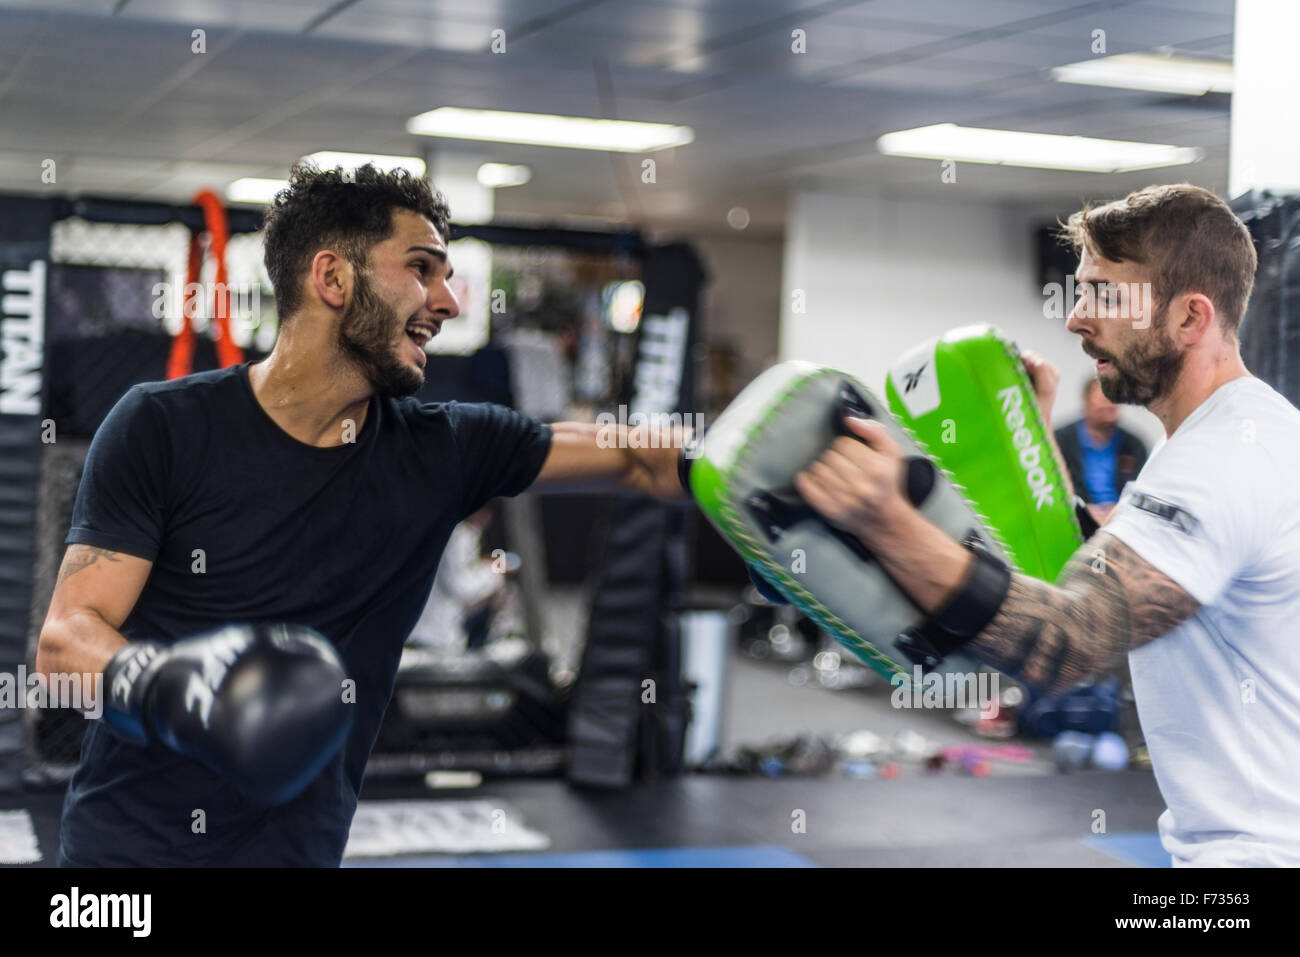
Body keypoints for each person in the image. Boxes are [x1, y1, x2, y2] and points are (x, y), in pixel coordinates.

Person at [35, 163, 687, 866]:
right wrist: (177, 691)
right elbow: (64, 642)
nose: (448, 302)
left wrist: (743, 474)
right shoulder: (161, 427)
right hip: (124, 861)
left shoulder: (447, 448)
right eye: (422, 269)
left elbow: (638, 459)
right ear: (333, 278)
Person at [795, 183, 1300, 866]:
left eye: (1105, 296)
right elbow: (1092, 563)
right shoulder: (1225, 436)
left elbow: (1067, 642)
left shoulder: (1221, 460)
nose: (1077, 319)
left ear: (1190, 317)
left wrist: (885, 520)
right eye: (1081, 292)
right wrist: (1026, 444)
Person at [1054, 377, 1148, 525]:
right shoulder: (1061, 440)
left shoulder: (1134, 445)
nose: (1109, 404)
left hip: (1122, 519)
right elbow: (1054, 487)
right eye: (1103, 399)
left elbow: (1142, 490)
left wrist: (1117, 510)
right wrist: (1084, 509)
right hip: (1074, 518)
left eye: (1114, 399)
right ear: (1086, 403)